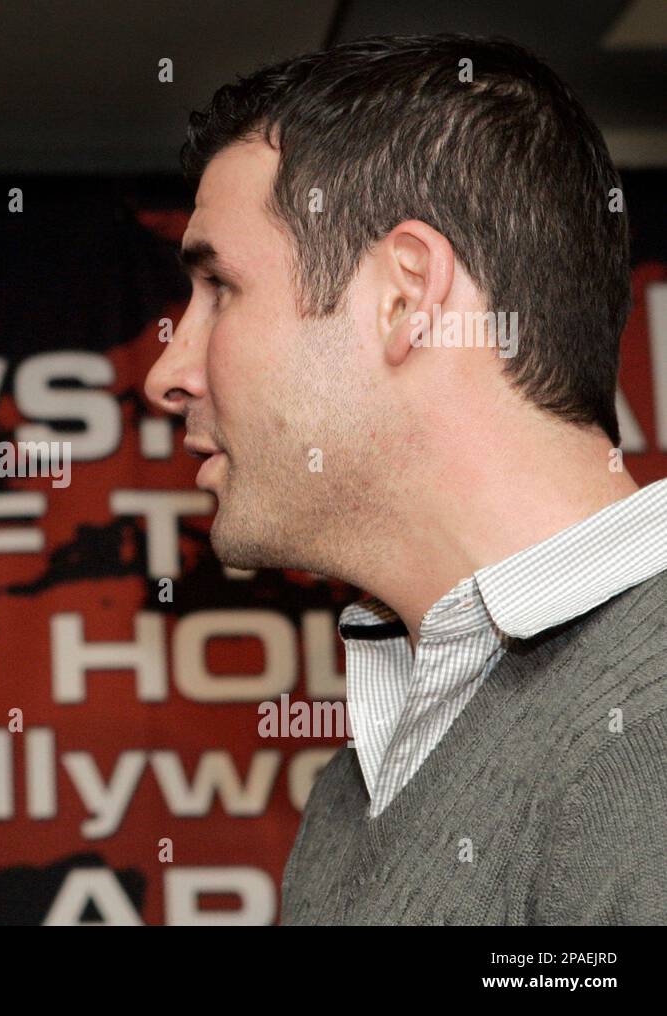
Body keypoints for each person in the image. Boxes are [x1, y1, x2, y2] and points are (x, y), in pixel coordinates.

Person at [145, 34, 667, 924]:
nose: (168, 373)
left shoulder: (646, 733)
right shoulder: (359, 785)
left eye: (220, 288)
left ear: (405, 294)